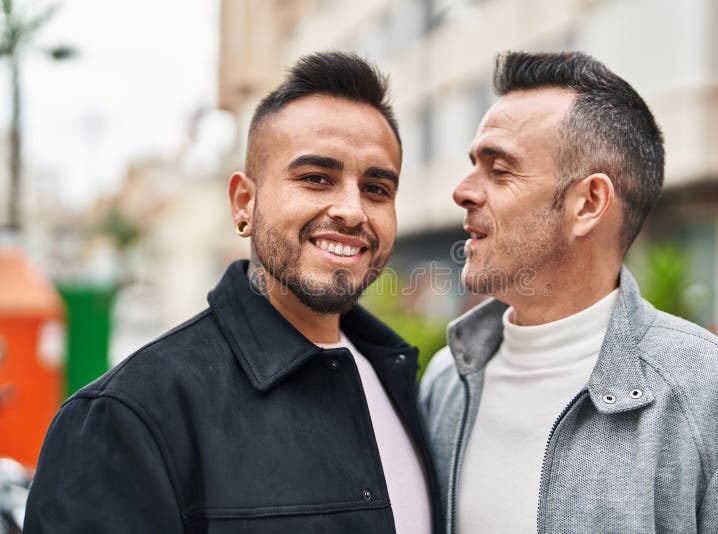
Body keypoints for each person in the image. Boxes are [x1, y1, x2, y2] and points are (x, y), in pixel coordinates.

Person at [25, 52, 442, 534]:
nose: (351, 210)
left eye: (376, 189)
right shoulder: (128, 416)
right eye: (316, 179)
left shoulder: (403, 382)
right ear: (244, 203)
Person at [419, 51, 718, 533]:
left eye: (499, 170)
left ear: (589, 203)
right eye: (474, 165)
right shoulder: (446, 381)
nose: (463, 191)